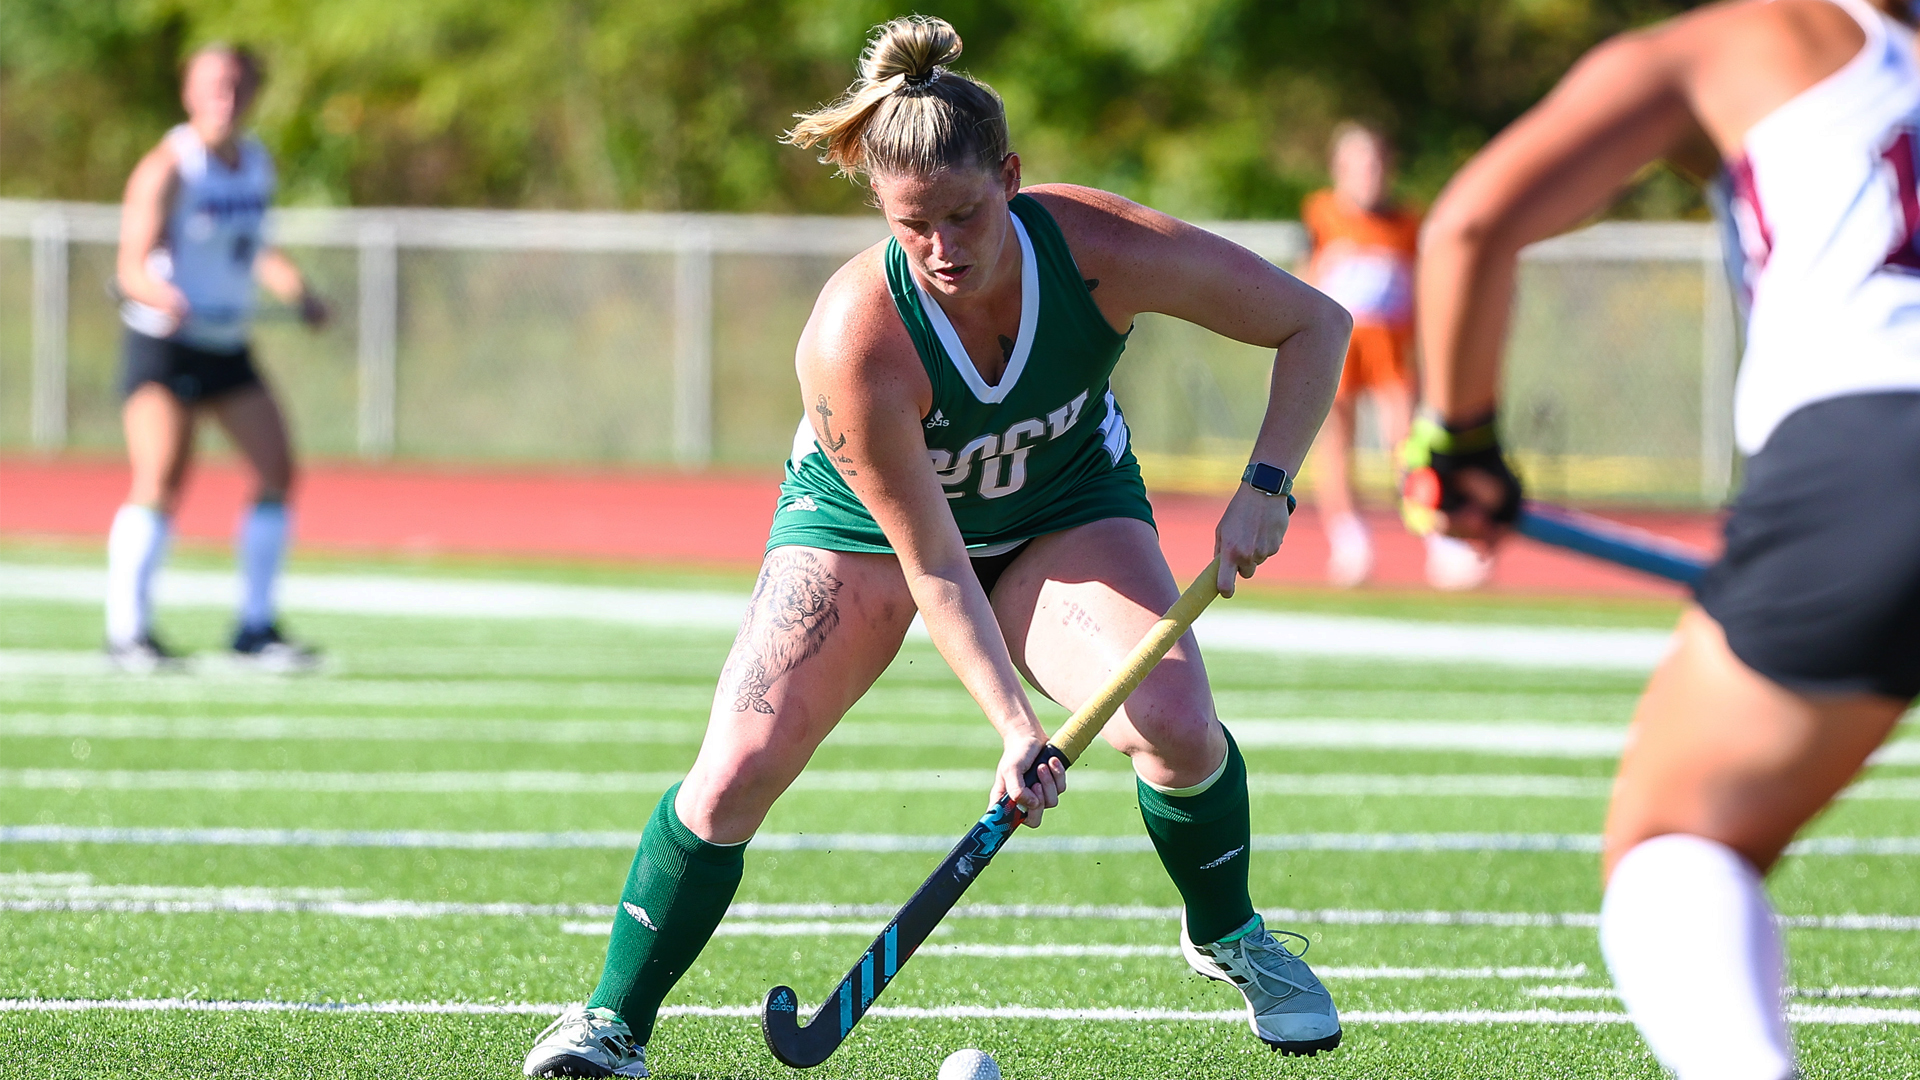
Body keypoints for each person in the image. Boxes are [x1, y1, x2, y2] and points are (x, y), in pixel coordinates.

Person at [524, 16, 1351, 1078]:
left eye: (965, 214)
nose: (945, 250)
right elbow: (935, 566)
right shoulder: (854, 338)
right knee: (735, 770)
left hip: (1064, 503)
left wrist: (1267, 485)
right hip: (870, 528)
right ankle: (610, 1025)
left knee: (1180, 725)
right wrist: (1014, 728)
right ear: (880, 205)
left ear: (1009, 176)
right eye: (914, 226)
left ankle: (1230, 933)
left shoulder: (1098, 250)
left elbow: (1314, 323)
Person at [1404, 1, 1920, 1076]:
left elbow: (1469, 224)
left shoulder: (1741, 43)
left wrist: (1462, 441)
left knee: (1678, 839)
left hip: (1871, 452)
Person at [110, 44, 328, 673]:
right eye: (212, 86)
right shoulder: (168, 167)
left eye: (235, 86)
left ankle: (255, 628)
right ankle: (127, 634)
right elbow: (132, 265)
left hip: (226, 346)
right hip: (166, 344)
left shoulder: (254, 163)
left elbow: (254, 248)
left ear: (252, 91)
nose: (224, 98)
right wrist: (163, 295)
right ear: (189, 92)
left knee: (277, 469)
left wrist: (301, 294)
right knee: (160, 480)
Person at [1303, 124, 1491, 590]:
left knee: (1407, 444)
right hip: (1338, 349)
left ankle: (1439, 542)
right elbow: (1305, 279)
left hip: (1391, 351)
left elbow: (1423, 290)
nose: (1369, 174)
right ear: (1339, 169)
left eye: (1376, 164)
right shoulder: (1321, 215)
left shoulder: (1407, 222)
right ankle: (1350, 544)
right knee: (1334, 444)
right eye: (1358, 165)